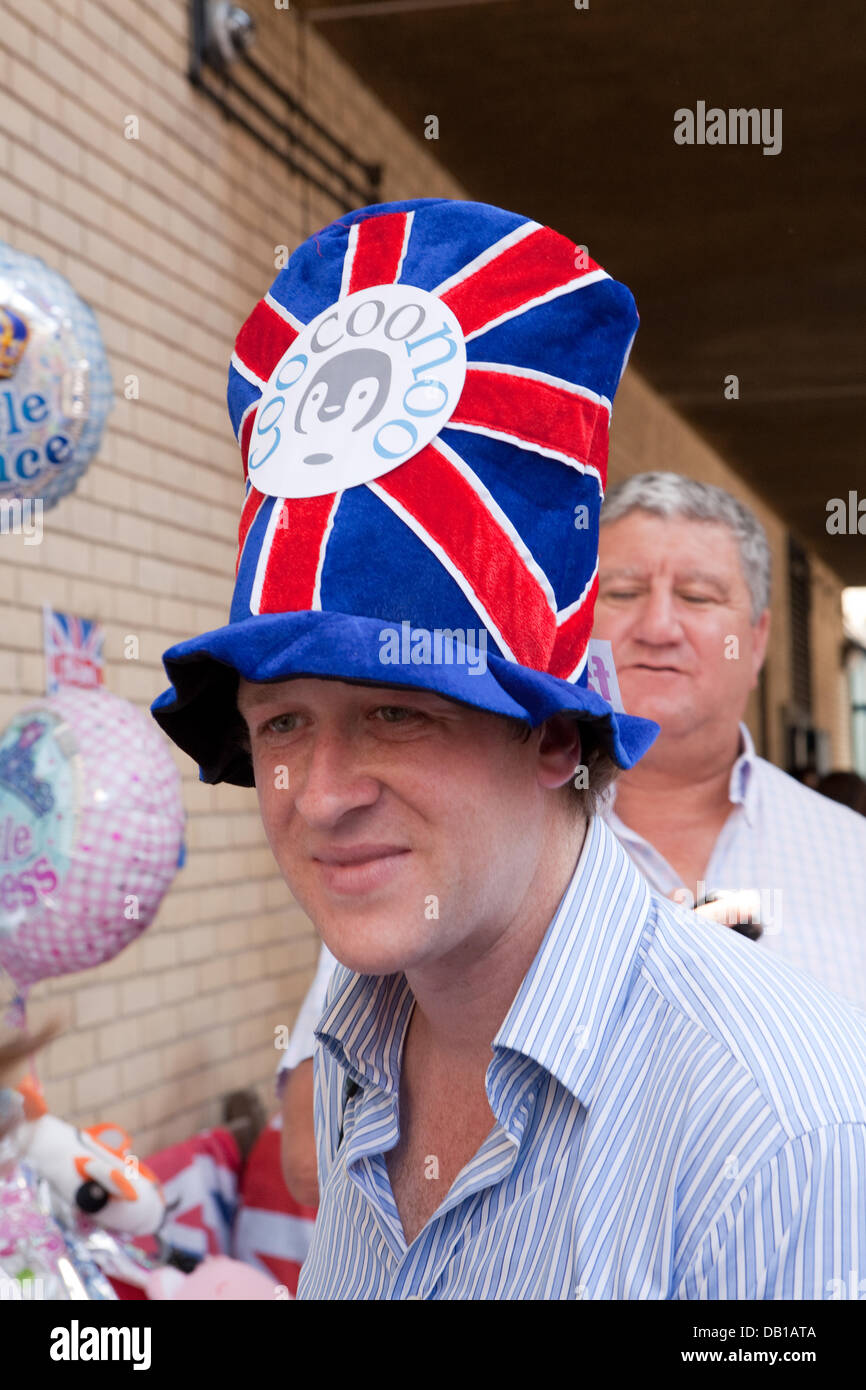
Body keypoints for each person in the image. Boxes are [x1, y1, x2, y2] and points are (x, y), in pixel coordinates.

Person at [152, 197, 866, 1298]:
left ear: (549, 737)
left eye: (397, 711)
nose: (321, 795)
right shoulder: (363, 1041)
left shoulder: (778, 1126)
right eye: (283, 721)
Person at [593, 471, 866, 1009]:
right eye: (623, 592)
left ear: (758, 641)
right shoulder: (489, 847)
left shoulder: (853, 858)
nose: (659, 626)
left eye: (697, 597)